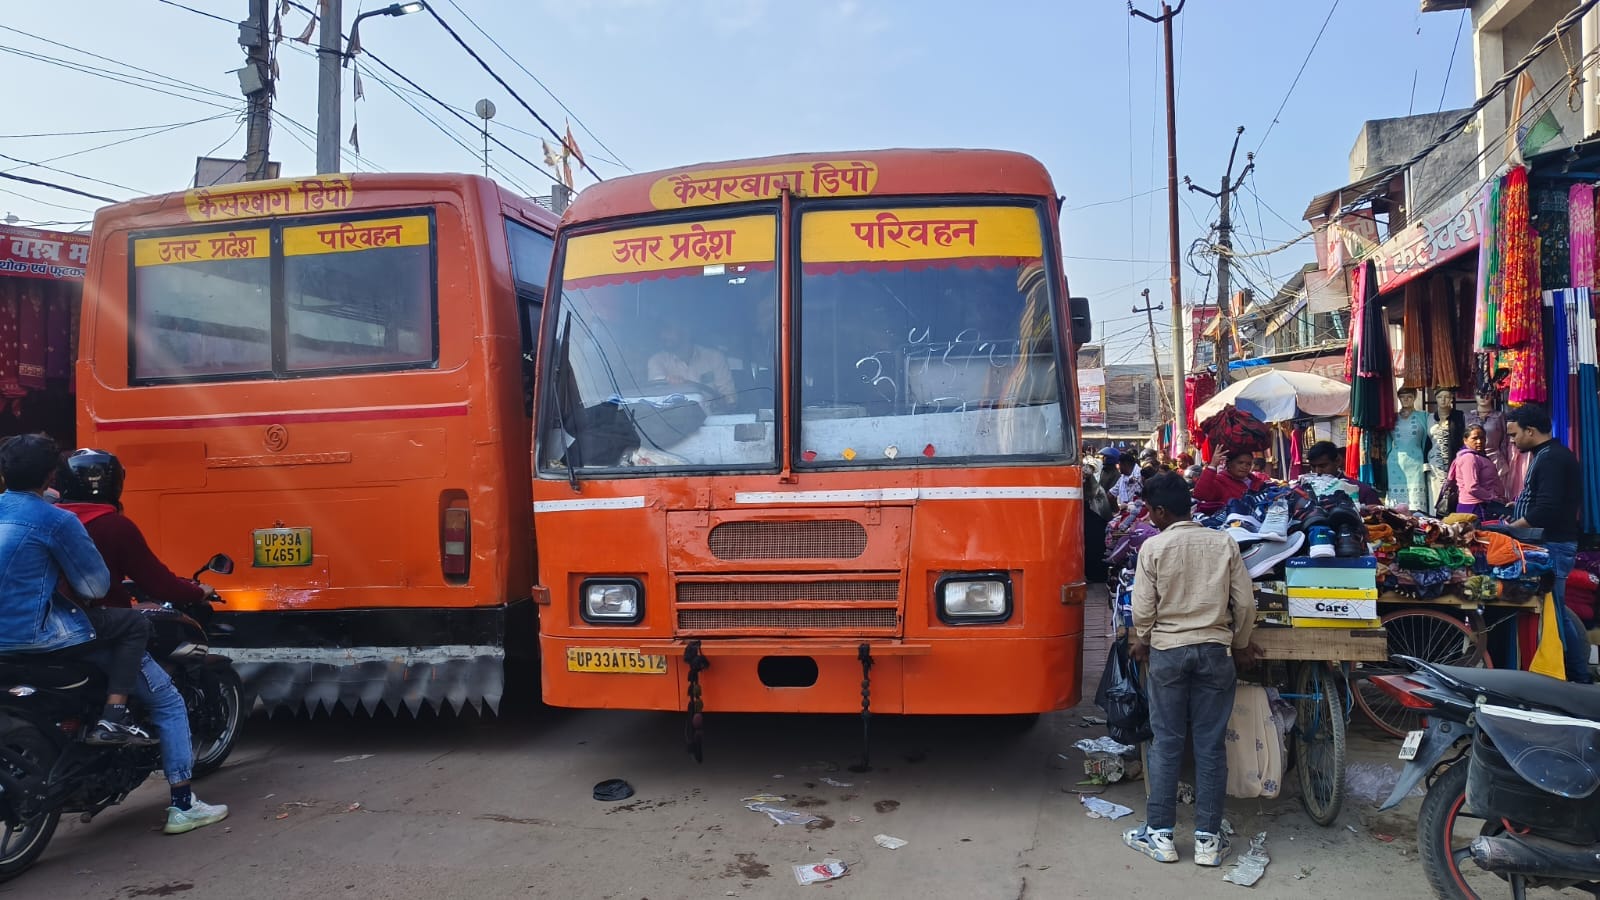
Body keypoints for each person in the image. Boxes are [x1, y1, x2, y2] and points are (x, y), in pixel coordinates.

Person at [54, 449, 230, 834]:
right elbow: (158, 582)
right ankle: (183, 805)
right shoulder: (114, 526)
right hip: (95, 633)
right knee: (168, 701)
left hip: (43, 634)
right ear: (114, 483)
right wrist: (197, 591)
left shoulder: (47, 519)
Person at [1126, 473, 1258, 867]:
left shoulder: (1154, 547)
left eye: (1150, 511)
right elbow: (1246, 605)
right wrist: (1240, 643)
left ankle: (1161, 836)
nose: (1149, 517)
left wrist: (1143, 638)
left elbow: (1142, 610)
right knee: (1210, 746)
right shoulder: (1224, 543)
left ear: (1162, 511)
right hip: (1216, 653)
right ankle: (1207, 842)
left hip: (1168, 653)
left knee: (1166, 743)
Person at [0, 434, 150, 746]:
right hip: (35, 637)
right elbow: (95, 587)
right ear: (51, 476)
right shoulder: (57, 520)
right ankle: (114, 718)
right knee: (137, 624)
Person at [1504, 403, 1591, 683]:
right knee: (1557, 610)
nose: (1513, 441)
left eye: (1515, 434)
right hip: (1551, 543)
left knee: (1556, 613)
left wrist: (1511, 528)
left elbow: (1547, 508)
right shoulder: (1547, 454)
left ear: (1530, 431)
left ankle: (1577, 677)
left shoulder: (1552, 458)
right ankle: (1577, 673)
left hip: (1553, 545)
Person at [647, 321, 736, 413]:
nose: (663, 335)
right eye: (661, 330)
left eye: (668, 328)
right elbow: (656, 395)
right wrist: (669, 383)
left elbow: (730, 399)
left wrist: (720, 401)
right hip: (673, 423)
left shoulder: (715, 357)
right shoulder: (656, 361)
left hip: (714, 423)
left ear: (686, 330)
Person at [1446, 425, 1505, 518]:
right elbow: (1472, 487)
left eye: (1482, 438)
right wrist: (1493, 498)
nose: (1479, 442)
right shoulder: (1469, 458)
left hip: (1483, 505)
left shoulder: (1480, 456)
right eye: (1474, 438)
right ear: (1465, 440)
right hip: (1475, 508)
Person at [1388, 387, 1430, 511]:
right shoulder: (1392, 417)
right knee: (1397, 506)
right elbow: (1387, 440)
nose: (1406, 400)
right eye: (1402, 397)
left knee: (1416, 504)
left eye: (1409, 397)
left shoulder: (1423, 416)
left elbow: (1428, 439)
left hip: (1416, 460)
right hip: (1395, 463)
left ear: (1415, 398)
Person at [1305, 440, 1381, 505]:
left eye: (1323, 466)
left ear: (1337, 461)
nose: (1318, 471)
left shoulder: (1363, 491)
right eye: (1313, 466)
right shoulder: (1306, 491)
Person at [1429, 388, 1466, 513]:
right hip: (1434, 462)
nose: (1443, 400)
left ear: (1451, 399)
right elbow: (1426, 441)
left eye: (1446, 397)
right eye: (1440, 397)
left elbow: (1462, 438)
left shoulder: (1459, 416)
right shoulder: (1429, 418)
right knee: (1435, 492)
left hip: (1453, 460)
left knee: (1452, 492)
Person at [1191, 448, 1254, 515]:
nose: (1244, 466)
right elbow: (1200, 494)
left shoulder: (1257, 482)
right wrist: (1212, 465)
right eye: (1240, 463)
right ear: (1228, 464)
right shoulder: (1220, 481)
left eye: (1248, 464)